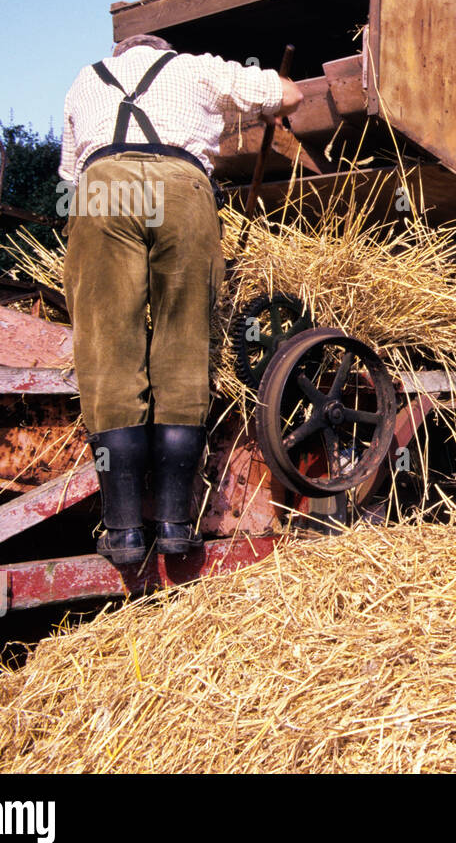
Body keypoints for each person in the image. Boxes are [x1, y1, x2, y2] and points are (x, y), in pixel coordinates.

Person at [59, 33, 302, 565]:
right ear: (162, 50)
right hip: (180, 188)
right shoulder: (194, 67)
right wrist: (266, 103)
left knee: (107, 348)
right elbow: (288, 96)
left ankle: (122, 530)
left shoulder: (85, 78)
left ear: (121, 54)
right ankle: (173, 525)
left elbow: (68, 176)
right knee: (183, 341)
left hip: (103, 190)